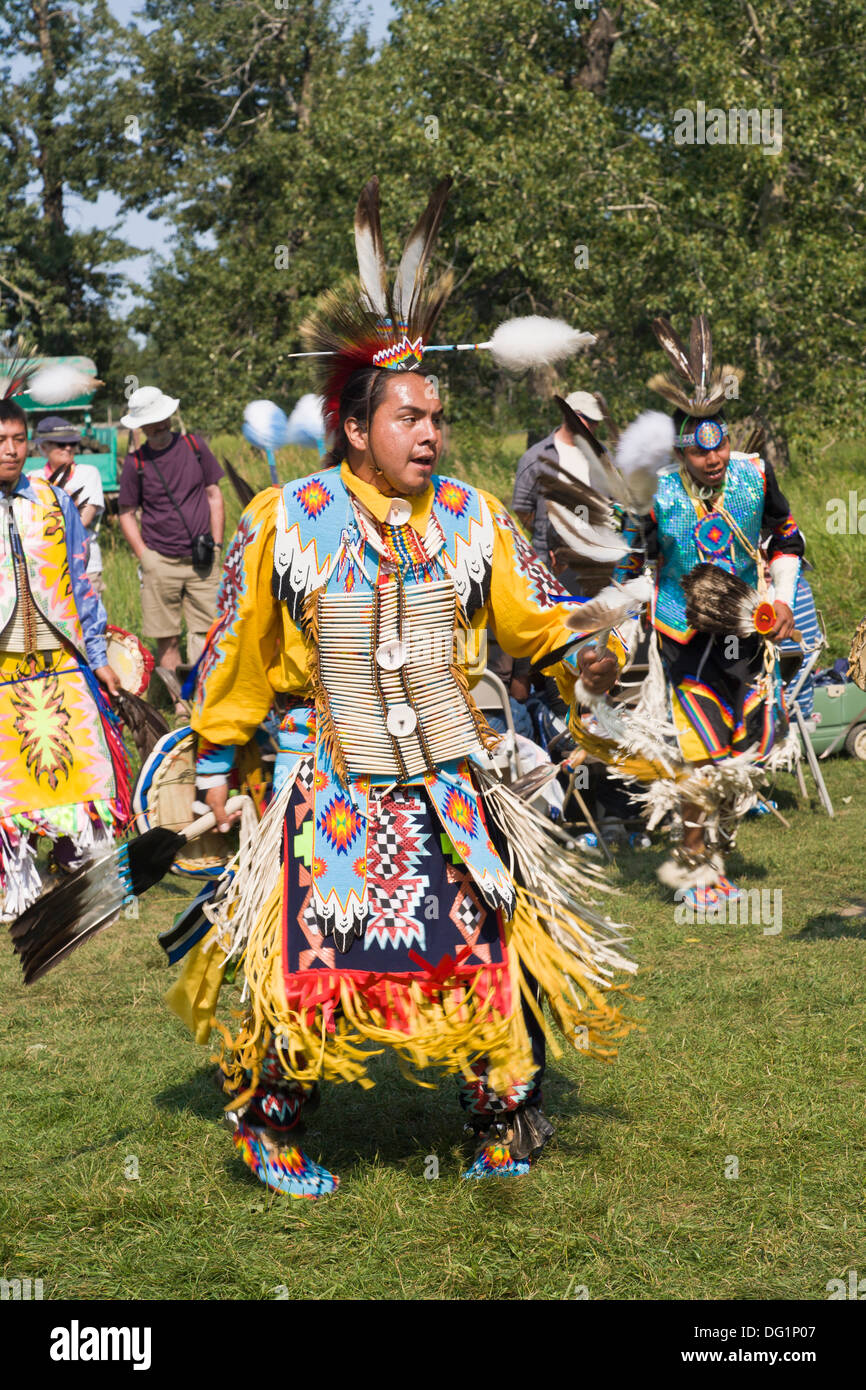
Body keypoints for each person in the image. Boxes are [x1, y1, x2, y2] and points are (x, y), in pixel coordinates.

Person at [170, 177, 636, 1199]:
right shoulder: (285, 520)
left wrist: (592, 644)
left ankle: (507, 1115)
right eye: (410, 416)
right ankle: (272, 1125)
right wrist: (216, 760)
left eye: (438, 414)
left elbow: (531, 620)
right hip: (328, 784)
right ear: (353, 426)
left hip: (451, 780)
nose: (430, 432)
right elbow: (237, 654)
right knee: (312, 956)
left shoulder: (473, 518)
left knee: (478, 942)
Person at [634, 316, 804, 904]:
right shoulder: (655, 494)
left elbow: (786, 537)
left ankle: (718, 862)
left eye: (722, 444)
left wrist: (781, 601)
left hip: (750, 638)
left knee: (745, 759)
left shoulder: (755, 475)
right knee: (698, 759)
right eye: (701, 450)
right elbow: (631, 564)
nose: (714, 459)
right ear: (682, 449)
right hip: (685, 638)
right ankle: (692, 870)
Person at [0, 397, 128, 920]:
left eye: (16, 440)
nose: (9, 451)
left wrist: (97, 655)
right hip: (3, 669)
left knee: (83, 768)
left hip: (60, 659)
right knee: (9, 778)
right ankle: (17, 877)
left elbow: (81, 585)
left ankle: (88, 866)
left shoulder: (54, 503)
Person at [117, 386, 225, 713]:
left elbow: (213, 494)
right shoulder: (135, 463)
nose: (160, 427)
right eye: (152, 423)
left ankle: (205, 696)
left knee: (206, 630)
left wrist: (217, 544)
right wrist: (144, 556)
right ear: (141, 427)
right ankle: (180, 703)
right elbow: (125, 513)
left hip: (202, 558)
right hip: (159, 560)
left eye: (162, 419)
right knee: (165, 635)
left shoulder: (194, 446)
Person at [512, 389, 605, 565]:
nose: (595, 427)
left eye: (596, 422)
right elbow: (522, 508)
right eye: (590, 420)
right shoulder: (536, 457)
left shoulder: (603, 456)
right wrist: (548, 538)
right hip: (551, 561)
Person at [31, 415, 105, 595]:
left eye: (72, 443)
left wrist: (48, 513)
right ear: (43, 447)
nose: (68, 448)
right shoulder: (33, 479)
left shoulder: (88, 474)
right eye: (60, 444)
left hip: (85, 567)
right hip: (46, 568)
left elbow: (83, 521)